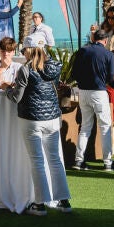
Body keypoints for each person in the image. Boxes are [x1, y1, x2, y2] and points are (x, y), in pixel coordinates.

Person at [15, 35, 73, 215]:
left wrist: (7, 90)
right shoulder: (54, 67)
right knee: (55, 159)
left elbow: (17, 96)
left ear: (29, 50)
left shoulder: (25, 70)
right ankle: (63, 201)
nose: (23, 53)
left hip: (32, 119)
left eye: (24, 50)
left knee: (38, 161)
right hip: (53, 119)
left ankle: (39, 204)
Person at [71, 29, 114, 172]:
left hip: (83, 92)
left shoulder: (82, 51)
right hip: (99, 92)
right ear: (105, 41)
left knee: (85, 127)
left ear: (94, 38)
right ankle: (108, 163)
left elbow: (74, 73)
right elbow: (111, 78)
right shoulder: (108, 54)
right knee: (105, 127)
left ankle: (79, 161)